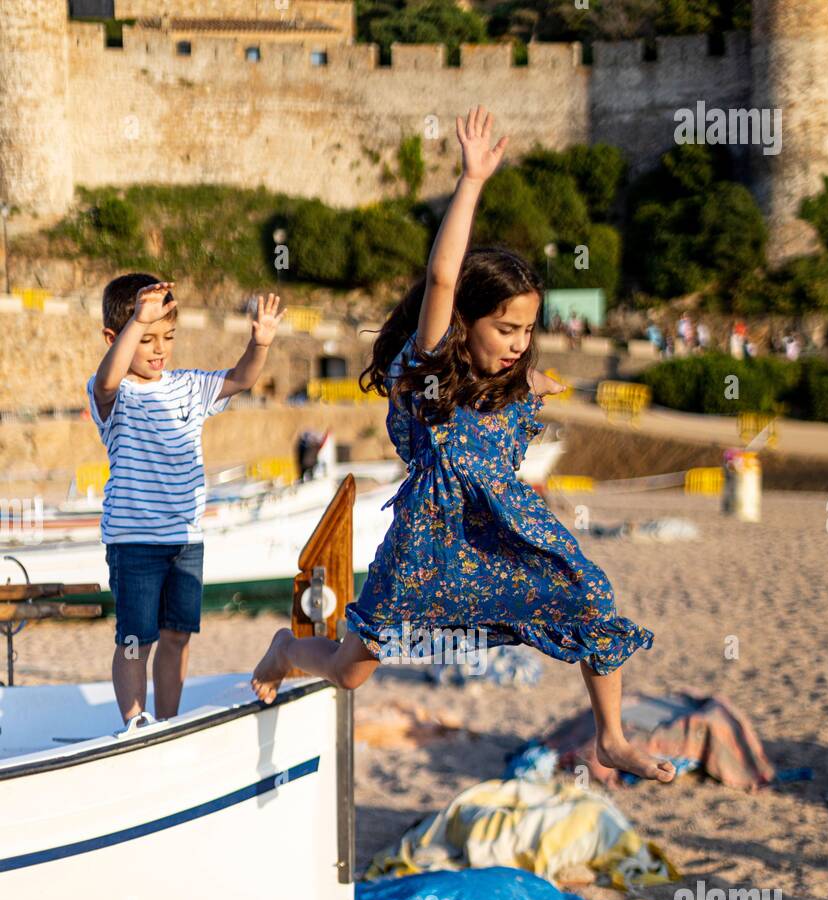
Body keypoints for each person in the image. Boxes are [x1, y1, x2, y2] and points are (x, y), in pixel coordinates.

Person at [251, 107, 675, 783]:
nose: (518, 341)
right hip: (427, 541)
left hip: (503, 535)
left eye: (527, 329)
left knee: (593, 598)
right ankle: (283, 650)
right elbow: (444, 277)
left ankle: (613, 738)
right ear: (463, 323)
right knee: (352, 671)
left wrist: (533, 384)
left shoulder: (516, 387)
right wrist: (473, 179)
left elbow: (521, 386)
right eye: (505, 327)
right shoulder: (426, 374)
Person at [88, 273, 284, 723]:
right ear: (114, 338)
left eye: (168, 337)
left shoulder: (189, 386)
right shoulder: (113, 393)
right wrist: (138, 319)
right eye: (146, 338)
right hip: (134, 539)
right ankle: (136, 723)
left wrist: (261, 345)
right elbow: (105, 379)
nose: (159, 349)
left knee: (177, 635)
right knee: (136, 640)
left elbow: (240, 379)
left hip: (185, 538)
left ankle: (168, 722)